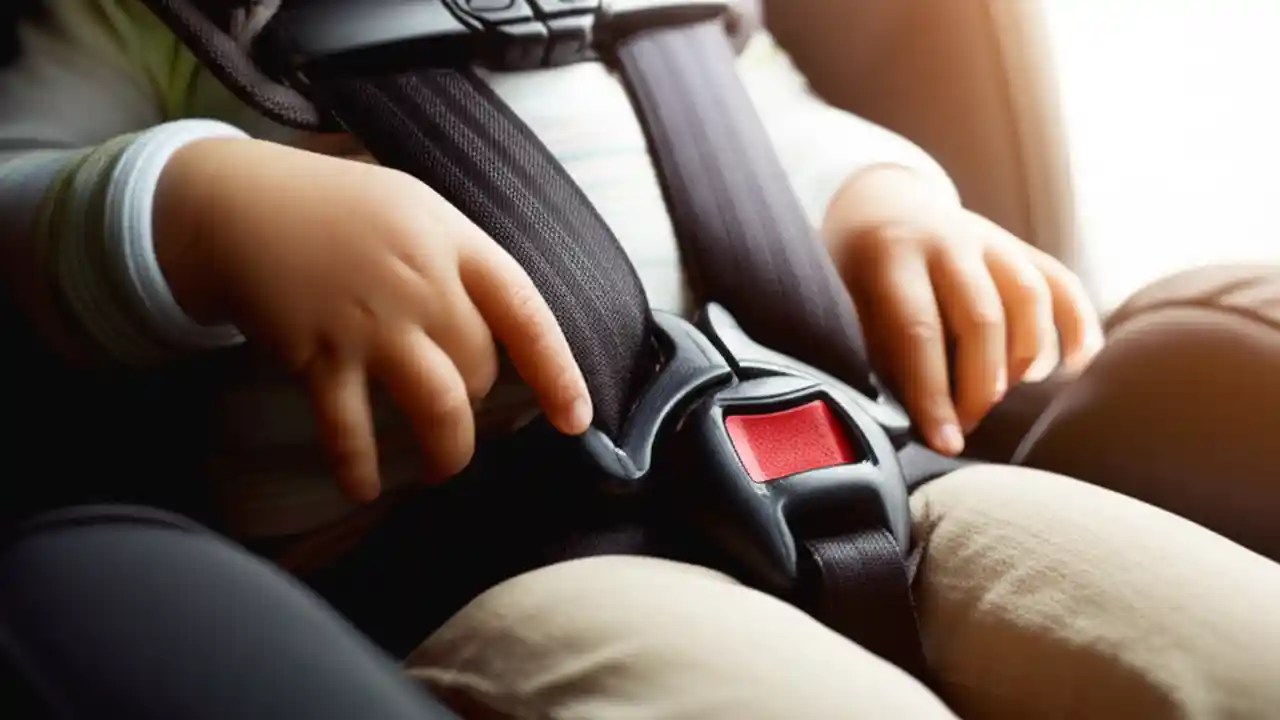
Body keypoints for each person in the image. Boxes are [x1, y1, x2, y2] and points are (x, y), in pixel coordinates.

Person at [1, 1, 1277, 717]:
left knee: (1220, 641)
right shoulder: (146, 24)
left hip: (855, 458)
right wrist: (198, 206)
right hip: (481, 548)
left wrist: (888, 204)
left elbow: (776, 122)